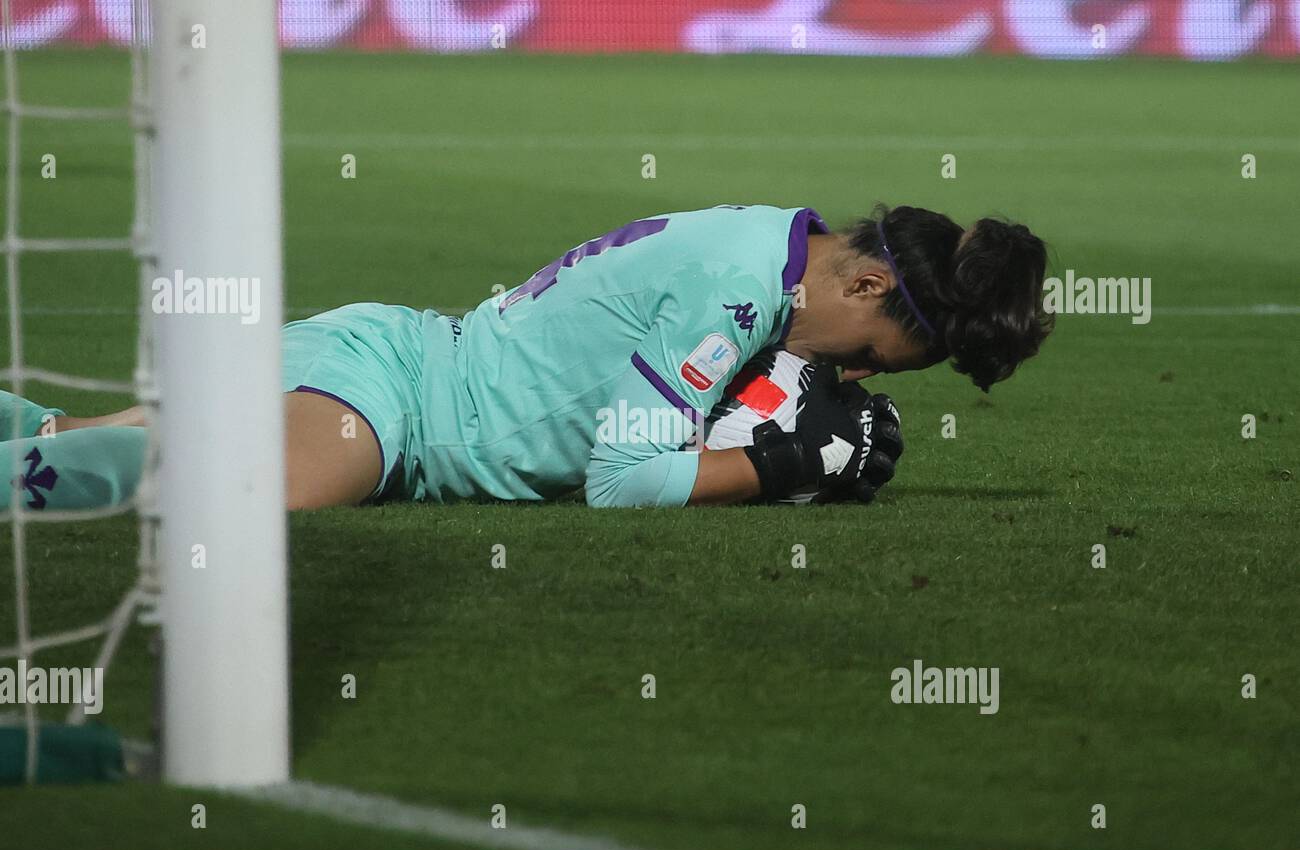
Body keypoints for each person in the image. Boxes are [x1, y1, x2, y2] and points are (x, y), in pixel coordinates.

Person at [2, 203, 1050, 512]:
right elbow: (623, 478)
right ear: (866, 286)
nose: (855, 376)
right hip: (392, 401)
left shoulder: (765, 251)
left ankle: (33, 431)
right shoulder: (730, 293)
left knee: (77, 441)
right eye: (873, 357)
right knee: (232, 501)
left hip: (388, 361)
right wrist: (787, 462)